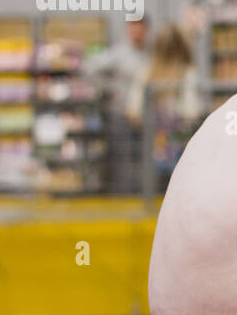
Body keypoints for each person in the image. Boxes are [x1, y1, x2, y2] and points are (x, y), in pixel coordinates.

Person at [126, 25, 206, 190]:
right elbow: (193, 112)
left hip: (154, 143)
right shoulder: (188, 73)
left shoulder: (147, 72)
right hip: (183, 143)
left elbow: (133, 112)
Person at [82, 18, 151, 193]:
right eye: (133, 27)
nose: (137, 31)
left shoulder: (150, 53)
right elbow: (89, 68)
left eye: (140, 28)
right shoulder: (119, 53)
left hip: (145, 117)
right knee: (123, 159)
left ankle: (141, 195)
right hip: (122, 115)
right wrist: (110, 88)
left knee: (144, 158)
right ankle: (124, 197)